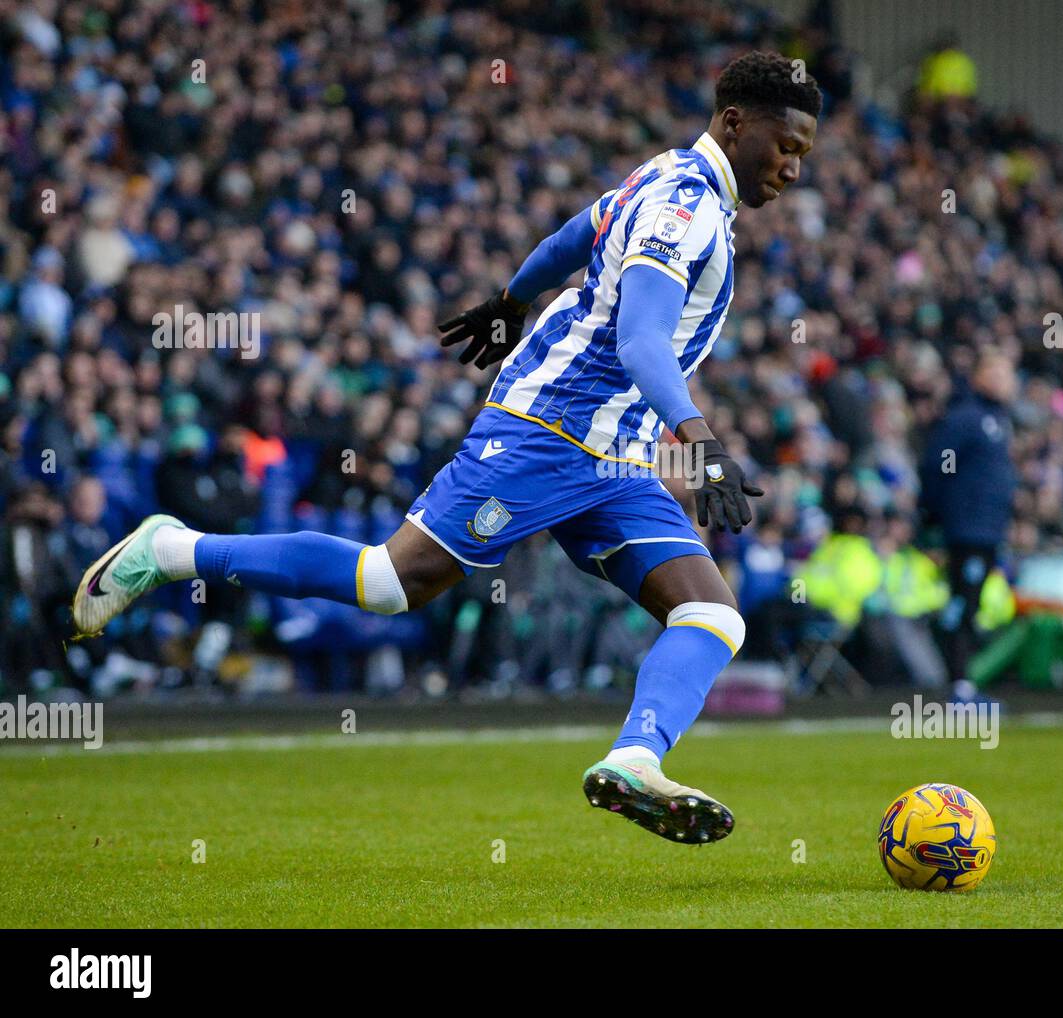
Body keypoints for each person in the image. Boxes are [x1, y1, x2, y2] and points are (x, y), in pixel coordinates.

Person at [71, 51, 822, 845]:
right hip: (551, 430)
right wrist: (699, 441)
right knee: (391, 582)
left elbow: (579, 231)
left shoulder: (671, 179)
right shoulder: (686, 207)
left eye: (803, 154)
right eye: (787, 145)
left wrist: (512, 297)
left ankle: (635, 759)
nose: (793, 168)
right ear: (735, 122)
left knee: (710, 612)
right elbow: (639, 341)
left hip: (618, 456)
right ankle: (173, 548)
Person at [920, 348, 1017, 702]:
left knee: (970, 606)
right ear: (980, 376)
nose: (1008, 381)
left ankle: (963, 684)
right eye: (1000, 372)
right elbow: (936, 466)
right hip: (967, 530)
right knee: (962, 604)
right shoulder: (966, 418)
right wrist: (940, 515)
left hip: (987, 529)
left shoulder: (998, 420)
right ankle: (957, 688)